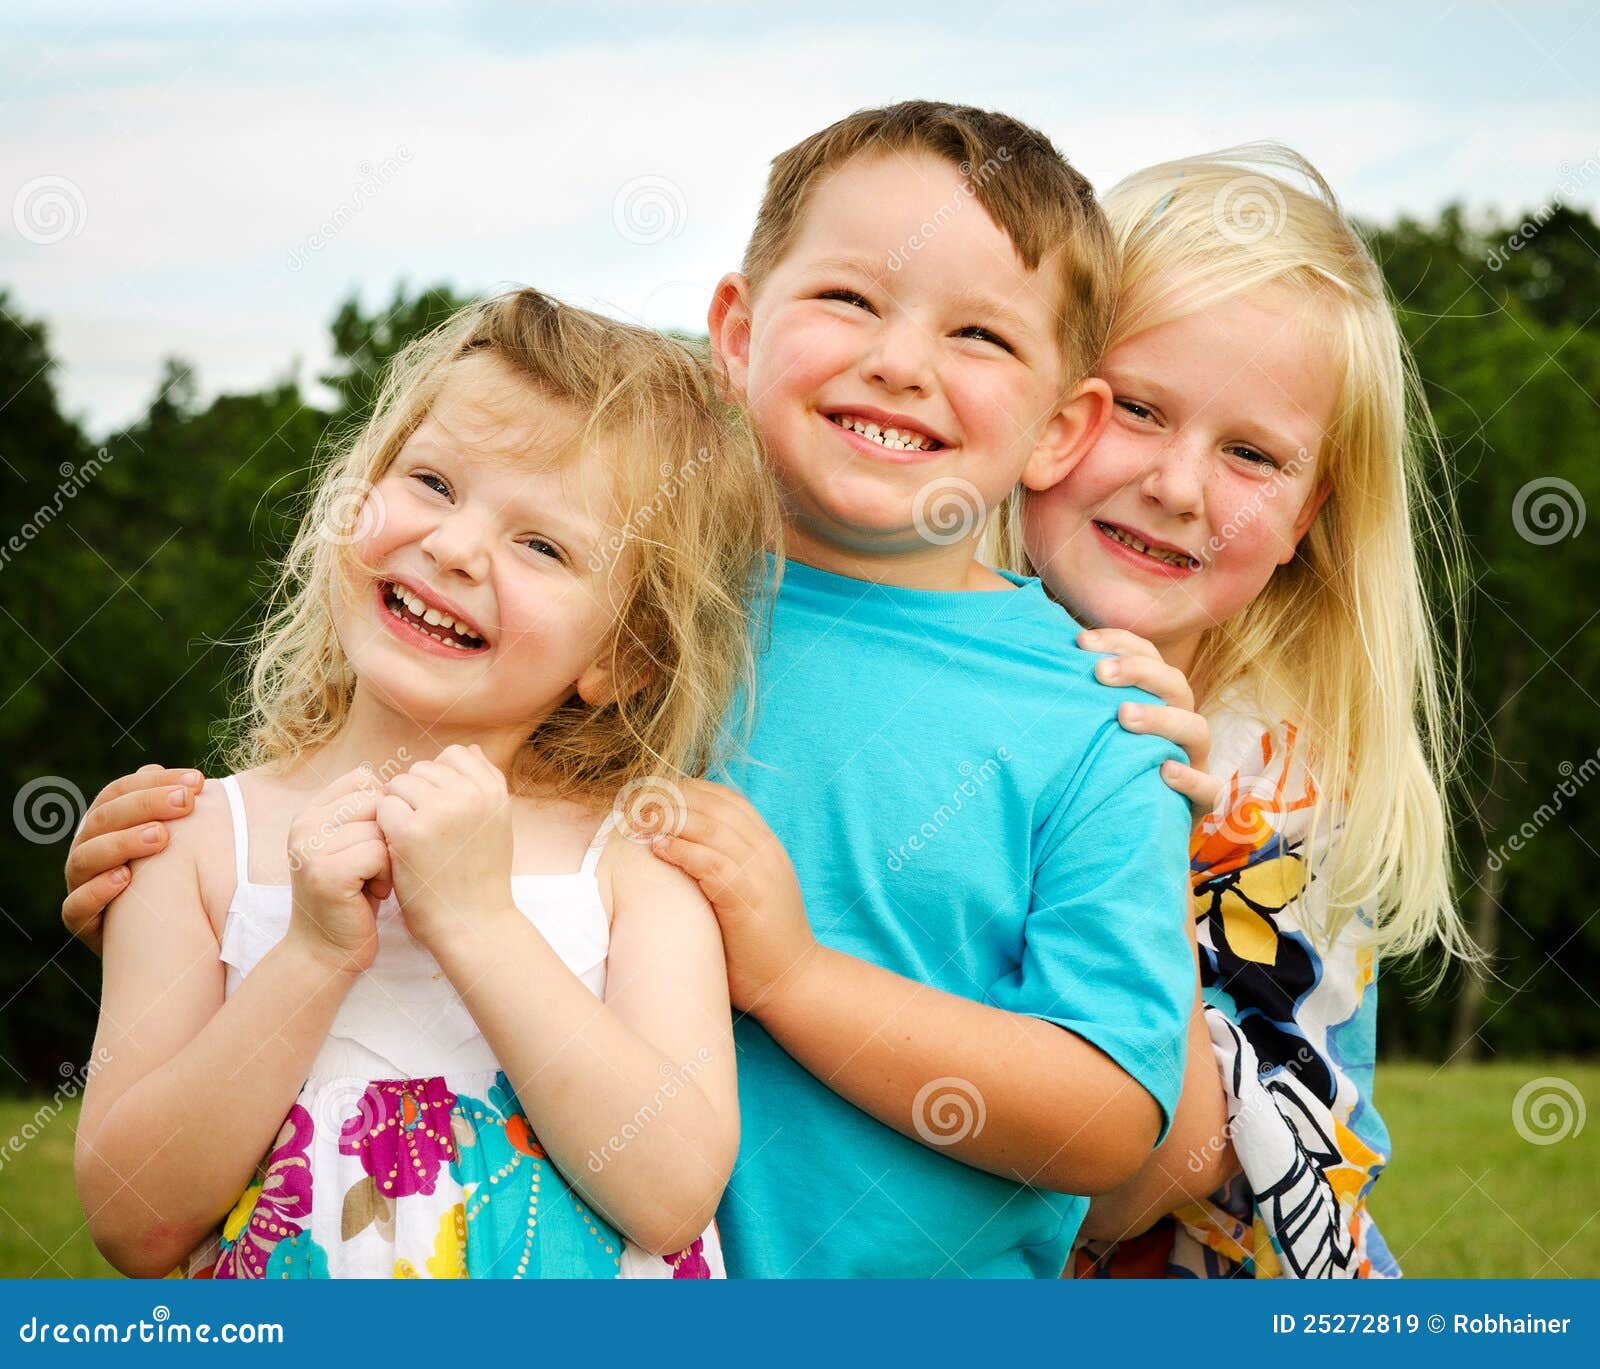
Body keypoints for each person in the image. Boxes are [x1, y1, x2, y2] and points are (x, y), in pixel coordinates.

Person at [67, 103, 1200, 1279]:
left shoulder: (1101, 718)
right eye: (851, 299)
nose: (899, 361)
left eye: (979, 334)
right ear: (738, 330)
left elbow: (1108, 1123)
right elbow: (352, 749)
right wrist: (171, 864)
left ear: (1061, 428)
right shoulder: (598, 595)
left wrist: (795, 977)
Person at [72, 289, 776, 1279]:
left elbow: (668, 1193)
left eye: (542, 544)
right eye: (433, 482)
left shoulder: (636, 860)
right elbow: (132, 1221)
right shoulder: (191, 845)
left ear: (623, 655)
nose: (452, 546)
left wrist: (481, 922)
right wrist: (312, 956)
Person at [998, 147, 1473, 1277]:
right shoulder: (899, 675)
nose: (1177, 485)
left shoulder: (1283, 784)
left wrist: (1136, 847)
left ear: (1309, 513)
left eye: (1250, 453)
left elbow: (1132, 1181)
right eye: (1140, 409)